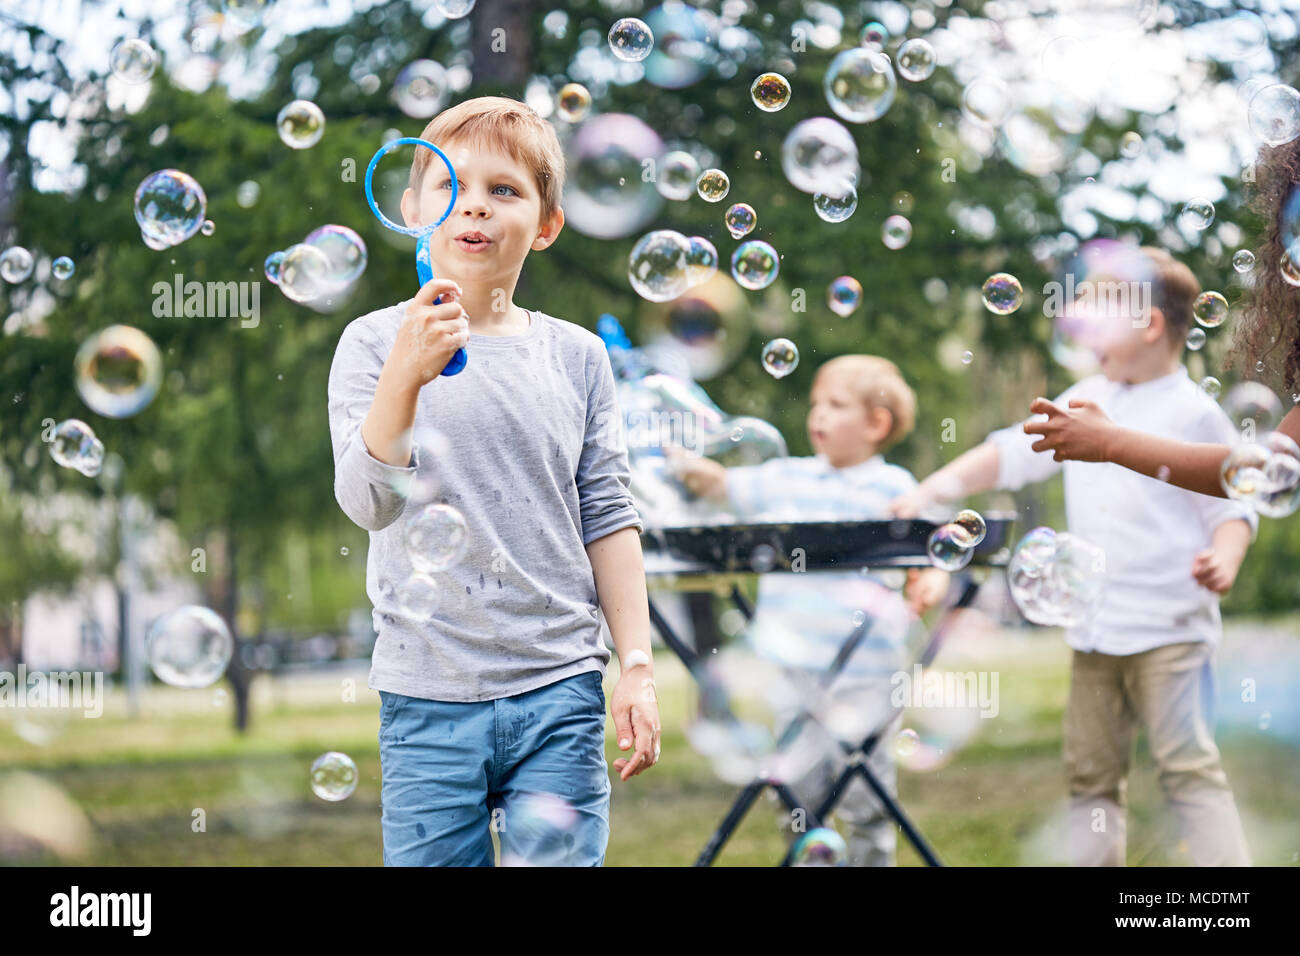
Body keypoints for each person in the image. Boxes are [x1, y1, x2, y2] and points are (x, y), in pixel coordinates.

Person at [327, 96, 659, 867]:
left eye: (504, 189)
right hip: (425, 694)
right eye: (449, 184)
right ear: (412, 209)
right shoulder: (374, 343)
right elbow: (366, 501)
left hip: (560, 688)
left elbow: (608, 515)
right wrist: (405, 380)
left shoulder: (577, 357)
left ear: (546, 224)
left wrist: (636, 667)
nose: (474, 202)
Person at [892, 245, 1258, 866]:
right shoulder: (1086, 395)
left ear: (1148, 324)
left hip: (1171, 632)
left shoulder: (1193, 411)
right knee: (1090, 780)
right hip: (1093, 634)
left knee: (1188, 772)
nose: (1082, 316)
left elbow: (1237, 500)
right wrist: (934, 488)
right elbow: (1010, 451)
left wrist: (1226, 556)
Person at [669, 355, 950, 866]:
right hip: (793, 671)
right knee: (796, 796)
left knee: (868, 800)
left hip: (867, 677)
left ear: (876, 423)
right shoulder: (785, 478)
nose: (817, 414)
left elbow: (936, 542)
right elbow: (720, 486)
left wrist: (931, 574)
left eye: (835, 405)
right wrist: (677, 460)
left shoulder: (894, 488)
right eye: (816, 403)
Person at [1024, 136, 1300, 492]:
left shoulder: (1196, 411)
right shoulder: (1090, 394)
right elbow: (1274, 468)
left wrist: (1110, 442)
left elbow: (1262, 478)